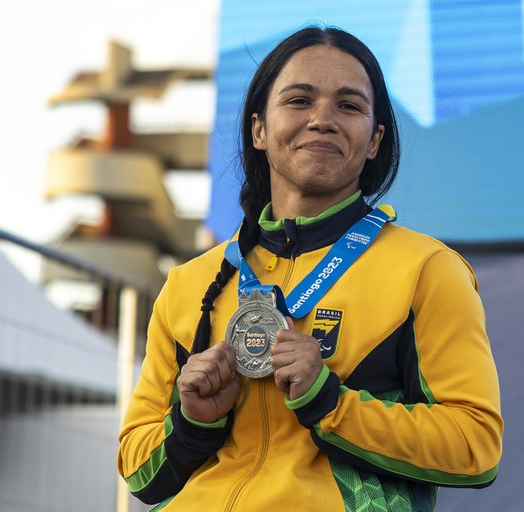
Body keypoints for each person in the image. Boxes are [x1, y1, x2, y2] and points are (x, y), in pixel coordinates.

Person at [118, 25, 503, 511]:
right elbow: (137, 470)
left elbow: (475, 446)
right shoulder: (190, 284)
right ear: (259, 129)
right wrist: (193, 421)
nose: (322, 119)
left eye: (349, 106)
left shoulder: (427, 270)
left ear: (373, 141)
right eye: (299, 100)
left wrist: (330, 403)